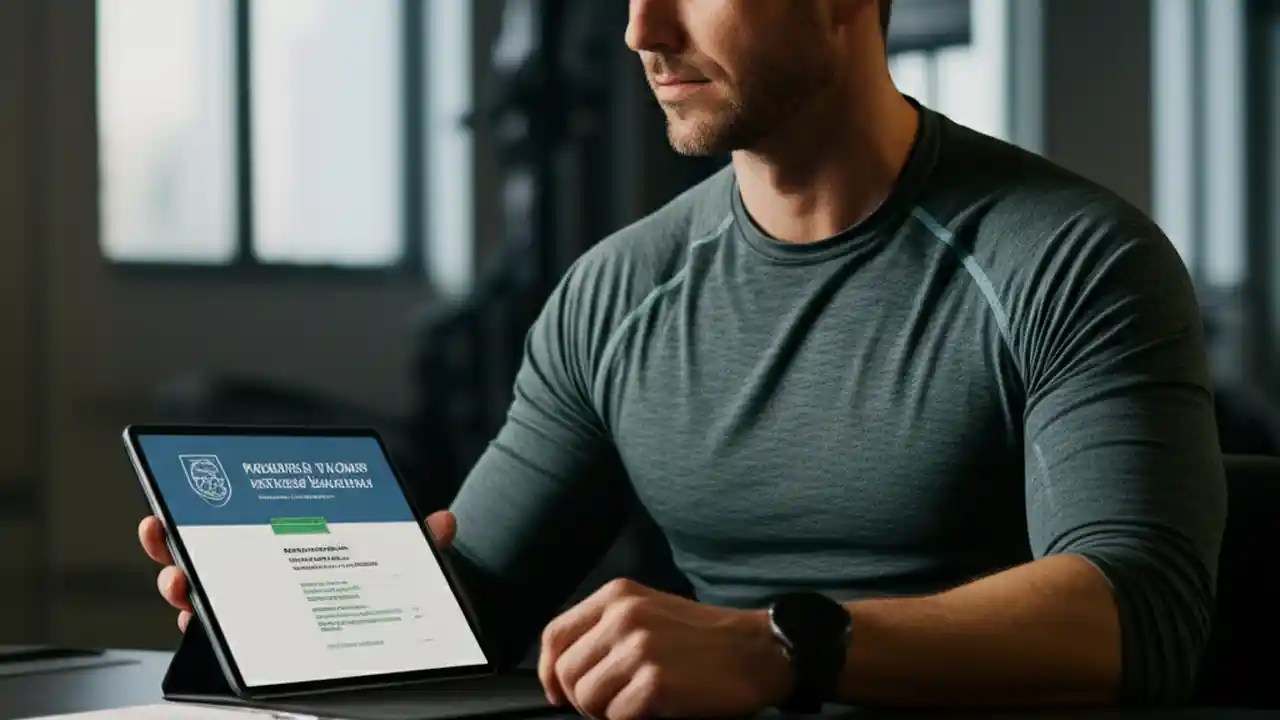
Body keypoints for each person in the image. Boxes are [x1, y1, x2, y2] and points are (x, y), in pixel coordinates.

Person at [139, 0, 1227, 716]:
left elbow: (1139, 614)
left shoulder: (1071, 258)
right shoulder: (615, 291)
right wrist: (302, 609)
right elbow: (478, 603)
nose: (641, 29)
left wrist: (775, 648)